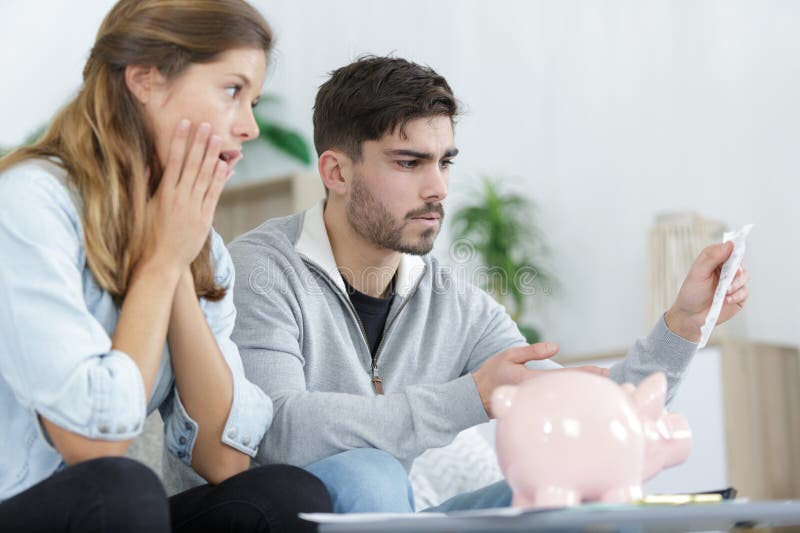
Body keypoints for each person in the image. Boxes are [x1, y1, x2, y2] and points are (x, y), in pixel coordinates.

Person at [225, 56, 750, 513]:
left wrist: (681, 327)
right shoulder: (261, 268)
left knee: (574, 490)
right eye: (409, 163)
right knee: (369, 473)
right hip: (285, 511)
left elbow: (585, 412)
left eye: (445, 162)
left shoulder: (454, 304)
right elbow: (276, 429)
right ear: (336, 173)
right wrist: (469, 397)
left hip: (403, 515)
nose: (437, 189)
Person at [0, 1, 331, 531]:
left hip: (104, 507)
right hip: (26, 503)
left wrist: (177, 259)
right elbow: (93, 443)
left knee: (288, 494)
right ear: (145, 80)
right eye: (232, 90)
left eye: (254, 101)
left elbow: (223, 459)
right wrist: (159, 261)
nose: (249, 127)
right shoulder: (30, 202)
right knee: (120, 488)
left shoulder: (198, 243)